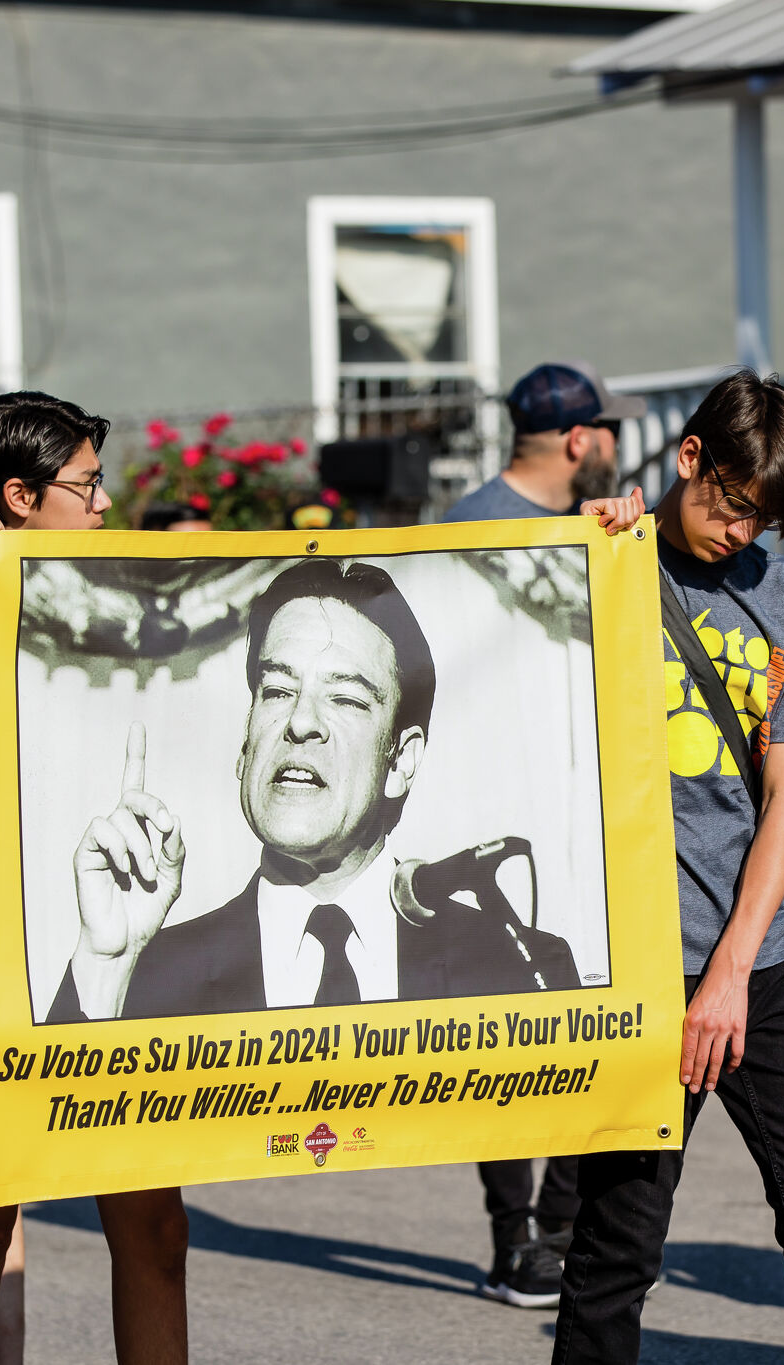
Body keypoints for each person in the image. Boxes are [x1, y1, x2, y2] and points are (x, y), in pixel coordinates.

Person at [556, 370, 784, 1364]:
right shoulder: (600, 559)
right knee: (615, 1245)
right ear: (688, 458)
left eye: (767, 520)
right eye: (735, 506)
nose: (744, 533)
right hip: (629, 967)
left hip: (756, 963)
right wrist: (574, 535)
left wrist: (734, 972)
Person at [0, 390, 189, 1365]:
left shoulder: (127, 595)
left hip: (124, 960)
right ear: (18, 496)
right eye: (86, 485)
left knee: (154, 1229)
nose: (105, 504)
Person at [48, 555, 582, 1021]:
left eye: (346, 699)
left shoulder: (515, 965)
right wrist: (107, 966)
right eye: (278, 690)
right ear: (245, 741)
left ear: (402, 760)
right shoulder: (147, 975)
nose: (301, 723)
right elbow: (50, 1130)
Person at [443, 360, 649, 1309]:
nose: (613, 447)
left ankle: (528, 1232)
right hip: (517, 807)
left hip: (516, 801)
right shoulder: (549, 528)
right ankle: (538, 1231)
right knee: (543, 1009)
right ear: (581, 441)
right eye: (608, 432)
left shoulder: (462, 522)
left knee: (534, 1014)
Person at [443, 362, 643, 522]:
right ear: (578, 441)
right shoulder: (470, 535)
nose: (617, 445)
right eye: (614, 428)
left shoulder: (465, 523)